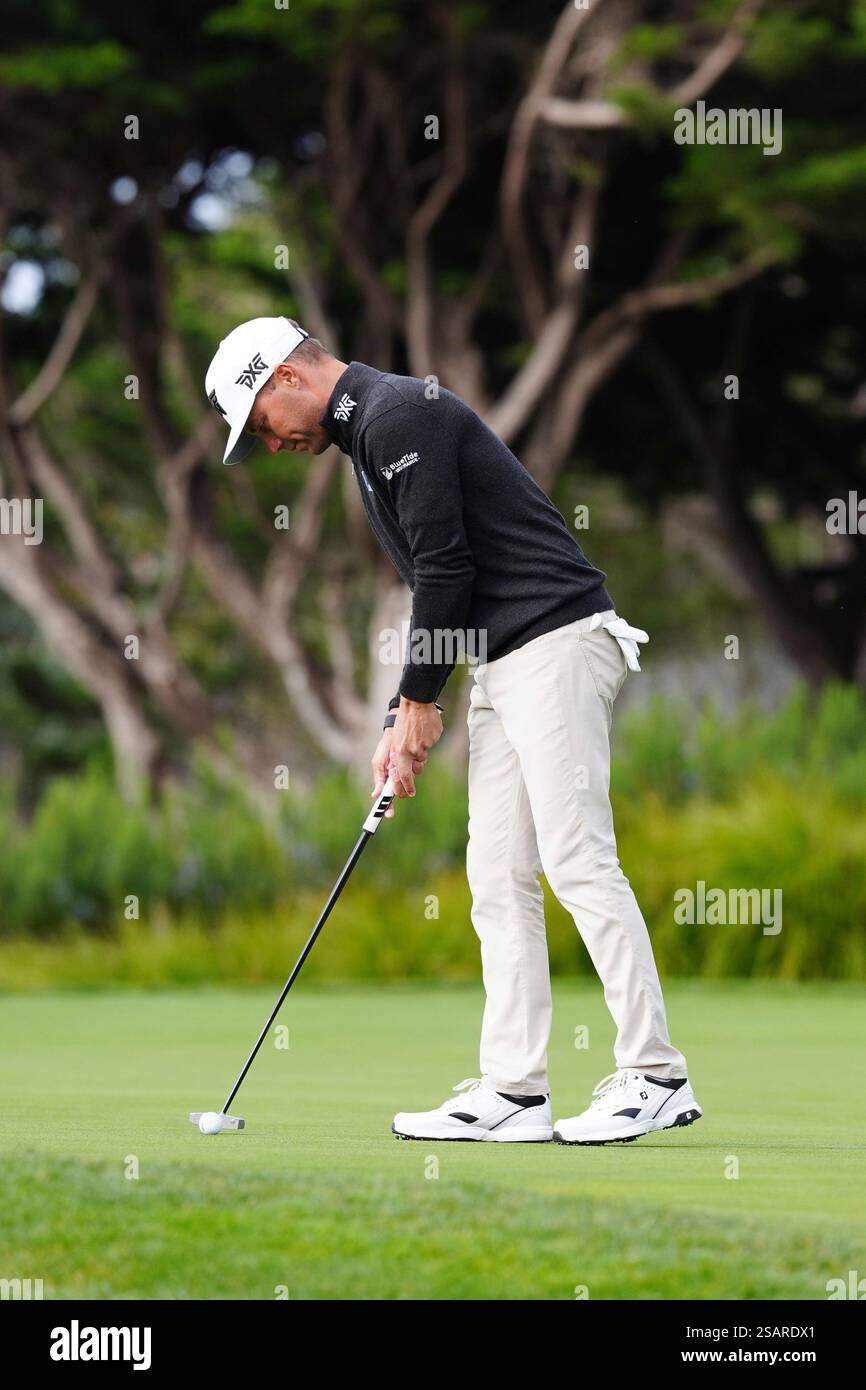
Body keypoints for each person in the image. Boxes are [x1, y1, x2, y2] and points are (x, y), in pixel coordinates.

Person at [205, 315, 703, 1145]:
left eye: (260, 423)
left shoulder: (398, 415)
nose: (270, 443)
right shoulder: (368, 433)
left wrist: (416, 705)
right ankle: (515, 1089)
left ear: (285, 378)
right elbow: (443, 580)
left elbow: (446, 568)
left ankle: (656, 1075)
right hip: (501, 660)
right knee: (497, 875)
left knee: (577, 857)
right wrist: (405, 712)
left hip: (556, 640)